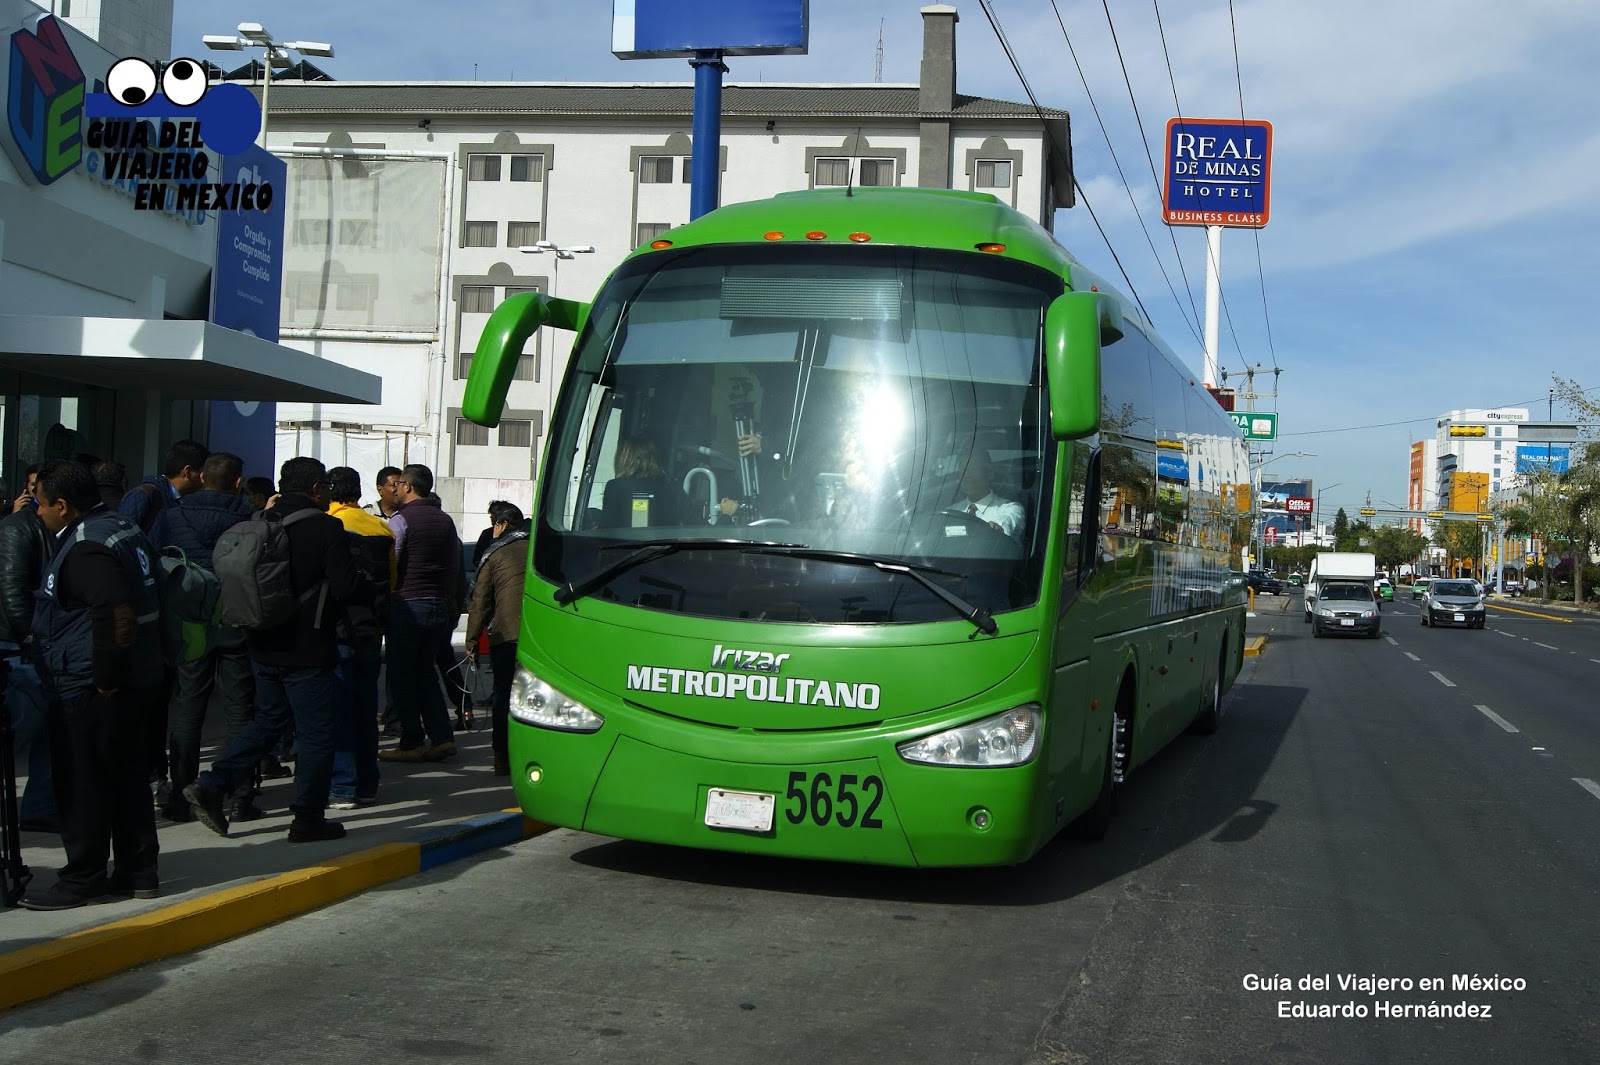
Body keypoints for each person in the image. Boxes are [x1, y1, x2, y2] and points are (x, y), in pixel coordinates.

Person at [184, 457, 373, 843]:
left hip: (261, 641)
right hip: (307, 648)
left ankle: (213, 781)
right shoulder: (326, 528)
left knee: (268, 723)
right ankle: (307, 818)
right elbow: (346, 589)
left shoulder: (260, 523)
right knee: (317, 734)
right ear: (317, 489)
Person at [21, 460, 161, 909]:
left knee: (82, 784)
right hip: (129, 679)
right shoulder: (120, 526)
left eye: (40, 505)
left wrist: (103, 680)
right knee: (126, 778)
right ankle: (137, 872)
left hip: (91, 685)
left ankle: (83, 878)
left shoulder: (86, 546)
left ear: (61, 506)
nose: (36, 513)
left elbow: (115, 612)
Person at [149, 452, 256, 823]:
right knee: (240, 710)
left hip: (190, 622)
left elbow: (155, 559)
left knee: (187, 710)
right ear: (238, 482)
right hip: (236, 619)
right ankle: (241, 797)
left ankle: (180, 796)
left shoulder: (173, 514)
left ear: (201, 478)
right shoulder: (249, 517)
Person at [119, 438, 210, 807]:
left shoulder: (179, 503)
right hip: (148, 615)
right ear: (187, 471)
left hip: (168, 613)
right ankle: (151, 774)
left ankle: (157, 774)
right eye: (201, 473)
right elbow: (123, 546)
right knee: (150, 701)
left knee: (162, 698)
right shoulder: (146, 496)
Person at [379, 463, 459, 762]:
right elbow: (452, 567)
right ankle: (441, 737)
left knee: (402, 676)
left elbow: (392, 562)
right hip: (437, 604)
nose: (396, 488)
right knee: (426, 673)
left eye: (399, 483)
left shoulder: (401, 521)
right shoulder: (444, 520)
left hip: (408, 604)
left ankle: (411, 740)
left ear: (408, 487)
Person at [324, 466, 394, 809]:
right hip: (371, 629)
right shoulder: (381, 528)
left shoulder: (328, 524)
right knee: (367, 711)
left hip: (337, 630)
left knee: (339, 712)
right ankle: (368, 784)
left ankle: (342, 786)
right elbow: (391, 581)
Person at [0, 466, 57, 832]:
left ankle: (39, 806)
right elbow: (12, 591)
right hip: (17, 646)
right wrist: (30, 639)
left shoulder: (47, 529)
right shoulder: (17, 529)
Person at [465, 501, 530, 777]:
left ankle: (501, 756)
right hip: (537, 636)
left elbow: (480, 602)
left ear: (501, 525)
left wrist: (471, 642)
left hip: (505, 635)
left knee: (503, 693)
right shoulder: (538, 549)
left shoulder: (494, 554)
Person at [602, 437, 691, 527]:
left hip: (623, 541)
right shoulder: (667, 487)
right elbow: (674, 524)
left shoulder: (615, 487)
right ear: (652, 459)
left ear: (624, 458)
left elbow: (606, 527)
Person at [950, 450, 1025, 539]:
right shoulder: (951, 512)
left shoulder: (1011, 509)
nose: (966, 475)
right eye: (963, 471)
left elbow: (1006, 522)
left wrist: (996, 528)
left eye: (973, 469)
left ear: (990, 473)